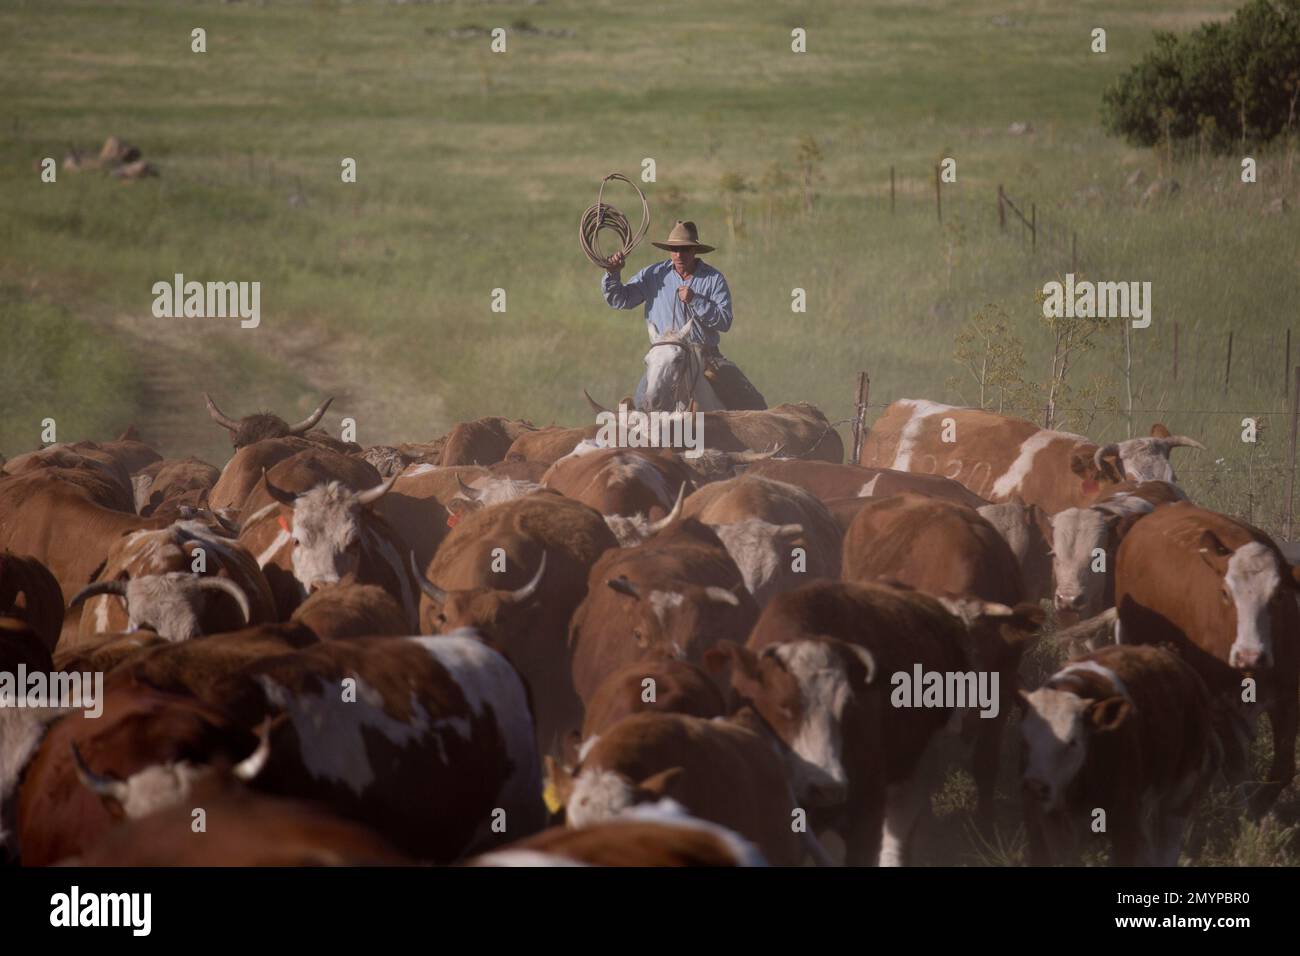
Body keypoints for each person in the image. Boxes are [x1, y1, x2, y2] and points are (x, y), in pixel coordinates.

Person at [601, 219, 767, 410]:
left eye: (685, 249)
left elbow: (725, 321)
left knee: (750, 400)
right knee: (642, 403)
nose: (679, 254)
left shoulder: (713, 279)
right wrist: (613, 274)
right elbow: (620, 299)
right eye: (674, 249)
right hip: (665, 358)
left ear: (694, 251)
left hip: (706, 357)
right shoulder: (653, 274)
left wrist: (696, 300)